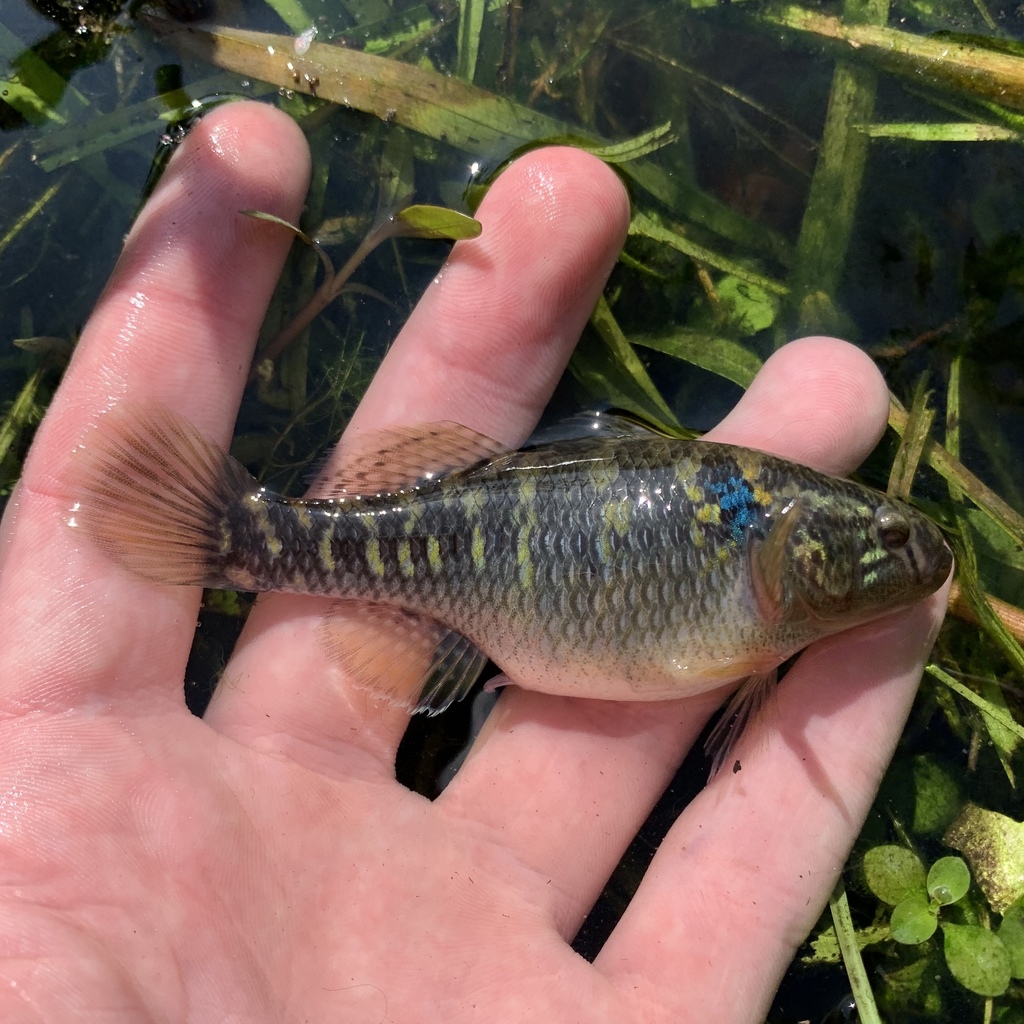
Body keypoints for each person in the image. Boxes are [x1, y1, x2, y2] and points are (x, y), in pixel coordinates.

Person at [0, 101, 949, 1023]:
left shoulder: (772, 596)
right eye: (885, 539)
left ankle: (254, 539)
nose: (902, 556)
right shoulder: (760, 584)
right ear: (804, 544)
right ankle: (243, 538)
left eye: (891, 541)